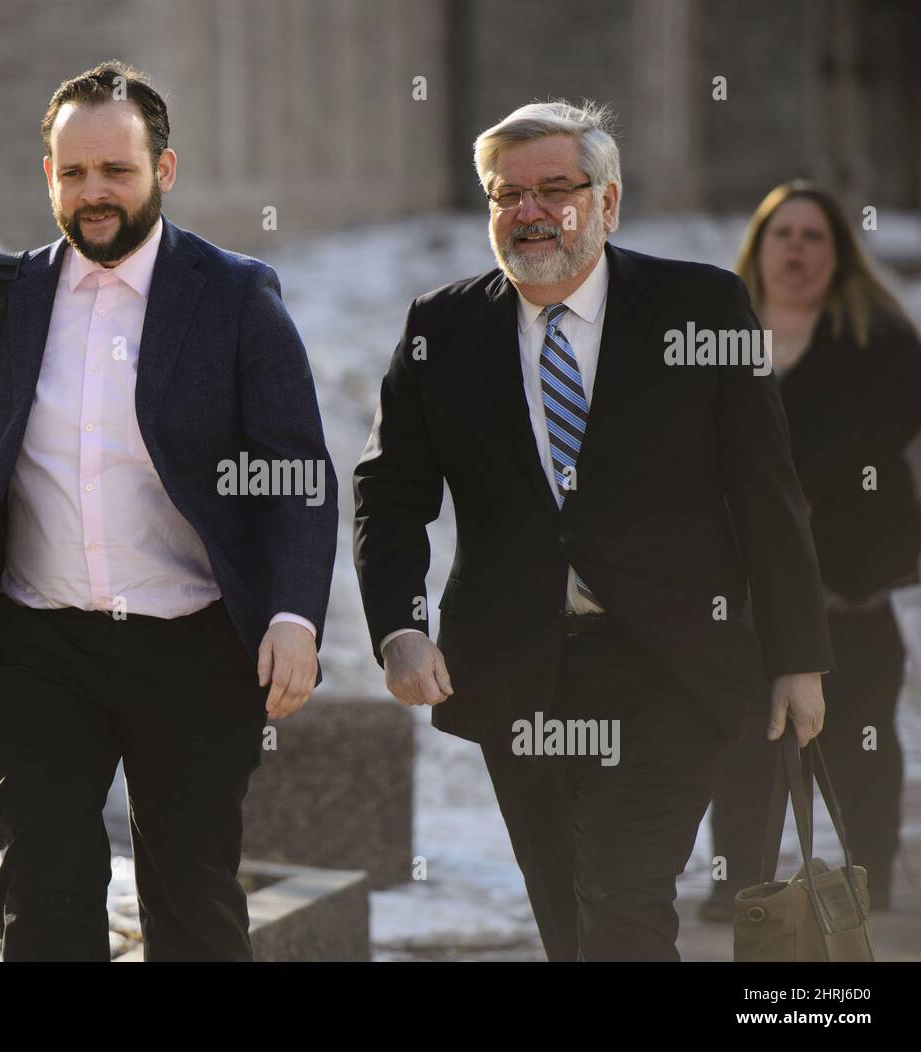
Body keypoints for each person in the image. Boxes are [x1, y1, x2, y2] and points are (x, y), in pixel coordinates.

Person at [352, 100, 833, 961]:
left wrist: (798, 654)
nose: (528, 212)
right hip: (518, 671)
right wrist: (398, 624)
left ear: (606, 204)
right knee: (567, 917)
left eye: (554, 190)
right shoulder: (443, 327)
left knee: (621, 894)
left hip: (670, 663)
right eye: (507, 195)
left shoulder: (704, 305)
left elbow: (767, 492)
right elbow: (389, 490)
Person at [0, 61, 337, 961]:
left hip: (195, 648)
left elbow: (295, 469)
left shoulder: (234, 294)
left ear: (163, 171)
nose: (95, 193)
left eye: (117, 171)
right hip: (37, 649)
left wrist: (293, 616)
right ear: (48, 176)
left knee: (194, 900)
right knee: (43, 898)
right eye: (74, 172)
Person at [702, 181, 921, 919]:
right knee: (741, 747)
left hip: (846, 591)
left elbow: (878, 447)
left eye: (813, 236)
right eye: (782, 235)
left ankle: (869, 885)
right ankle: (738, 892)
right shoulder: (717, 341)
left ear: (839, 254)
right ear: (759, 249)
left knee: (860, 745)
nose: (795, 250)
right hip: (740, 594)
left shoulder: (881, 340)